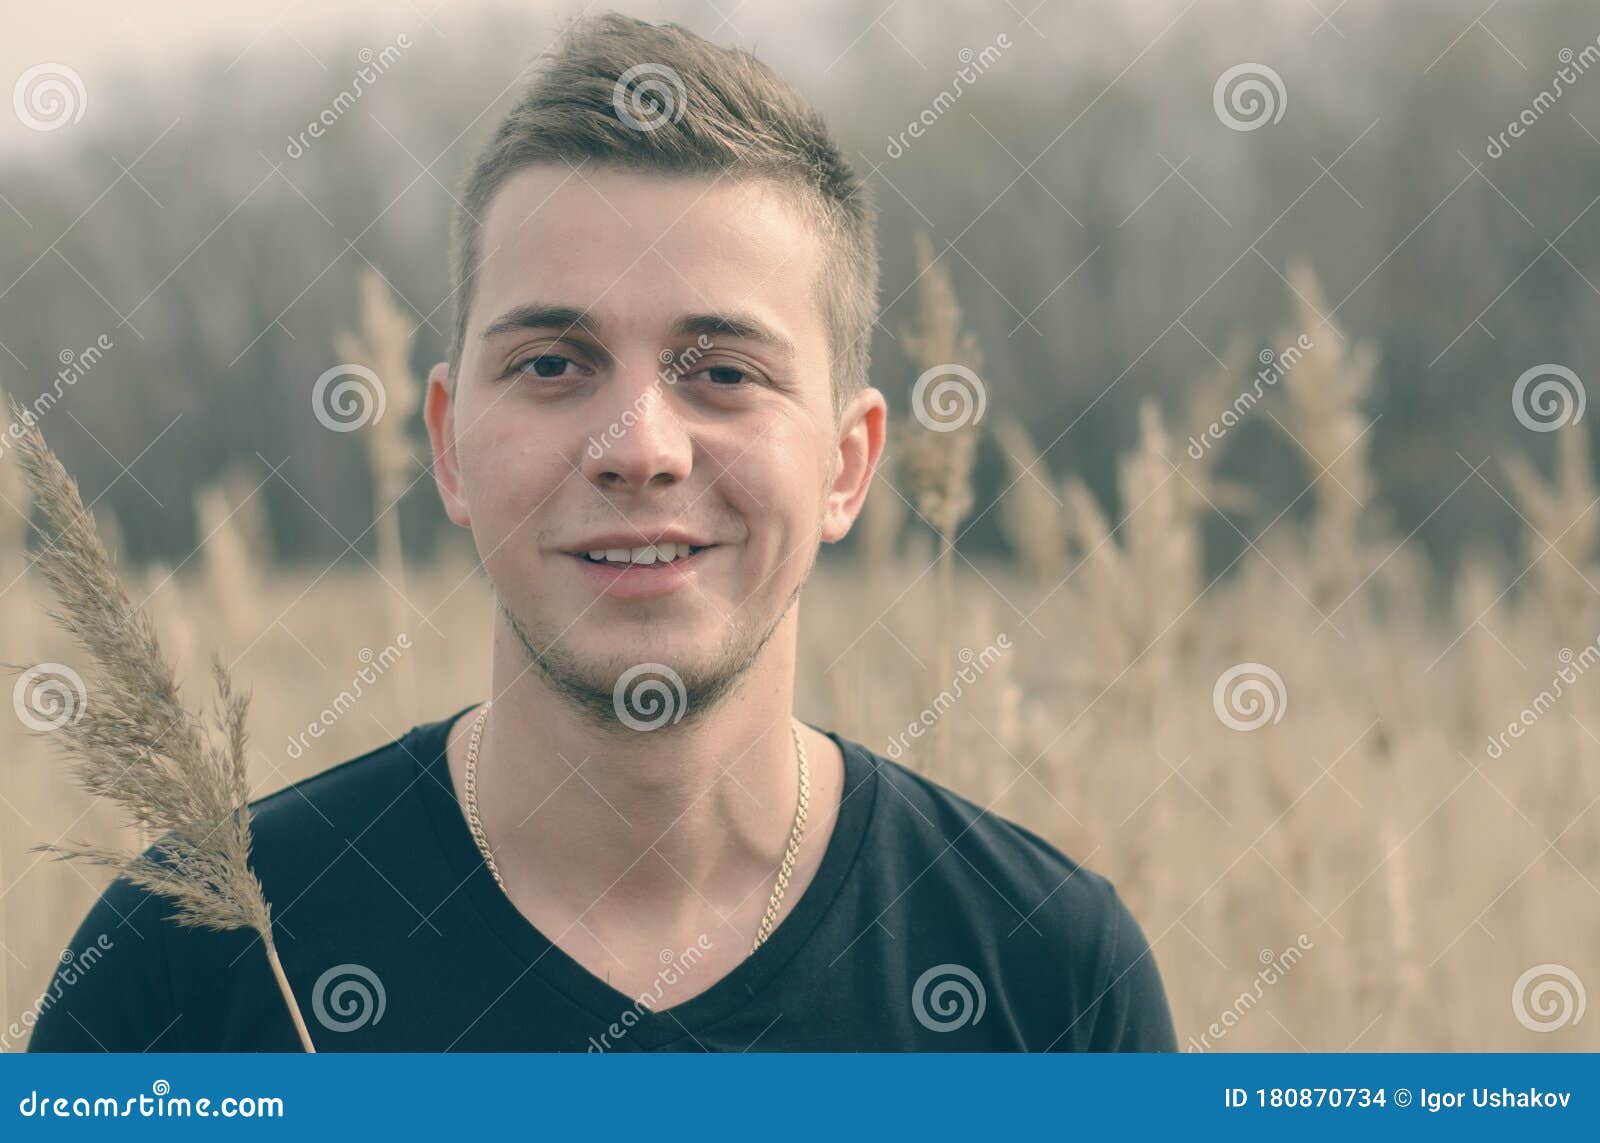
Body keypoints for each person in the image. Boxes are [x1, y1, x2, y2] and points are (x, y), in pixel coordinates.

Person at [27, 11, 1175, 1052]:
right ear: (447, 444)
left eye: (722, 372)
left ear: (846, 464)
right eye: (552, 365)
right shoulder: (192, 962)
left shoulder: (1048, 978)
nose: (639, 446)